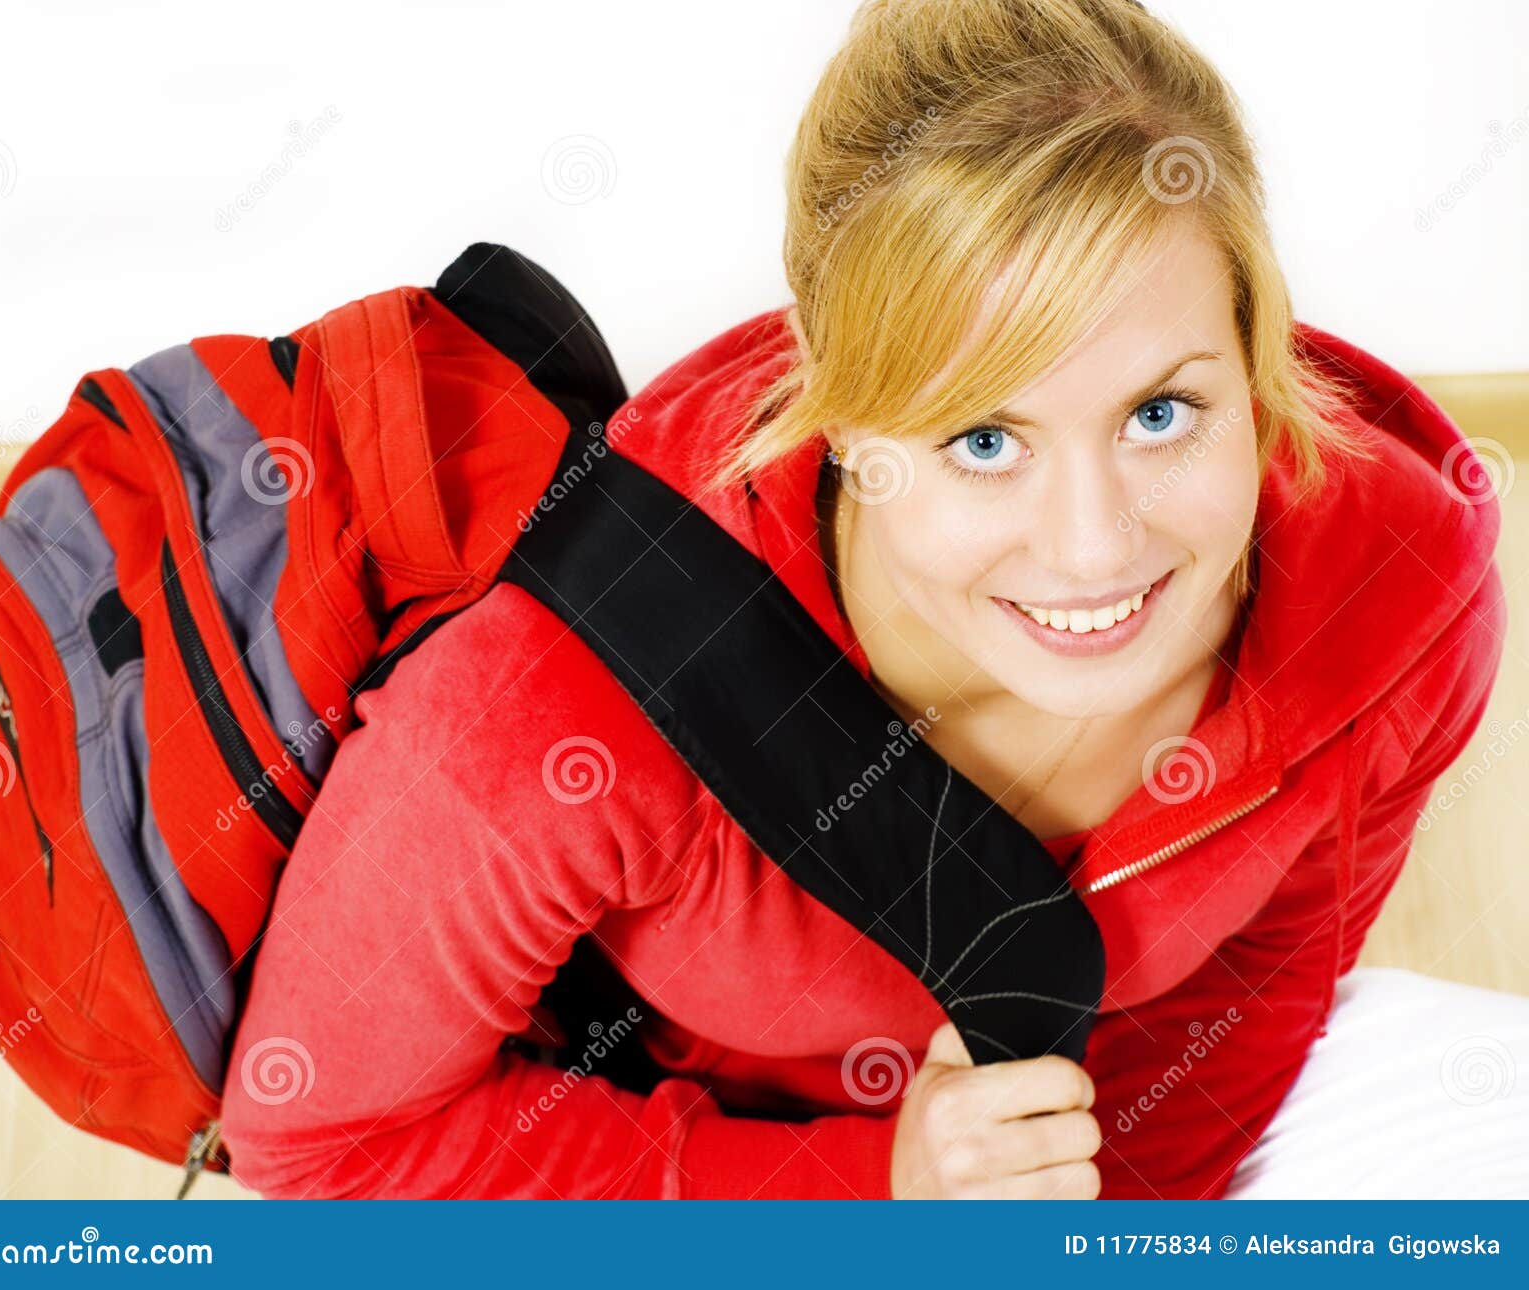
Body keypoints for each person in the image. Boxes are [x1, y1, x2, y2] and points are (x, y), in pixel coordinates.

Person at [218, 0, 1509, 1199]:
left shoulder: (1397, 589)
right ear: (839, 418)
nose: (1092, 549)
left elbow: (1242, 1000)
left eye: (1161, 412)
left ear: (1255, 352)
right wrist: (874, 1190)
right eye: (983, 441)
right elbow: (325, 1140)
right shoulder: (542, 717)